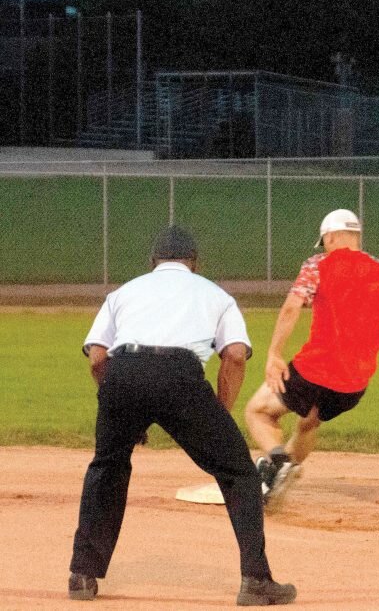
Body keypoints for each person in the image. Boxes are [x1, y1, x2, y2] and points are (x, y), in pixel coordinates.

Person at [69, 225, 296, 606]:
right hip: (179, 376)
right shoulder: (215, 294)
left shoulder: (124, 291)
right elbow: (236, 355)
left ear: (152, 261)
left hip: (122, 372)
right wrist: (217, 415)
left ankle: (82, 575)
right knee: (239, 473)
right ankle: (256, 580)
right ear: (194, 263)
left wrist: (120, 405)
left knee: (107, 466)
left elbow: (97, 357)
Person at [245, 208, 379, 507]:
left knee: (257, 411)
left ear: (332, 236)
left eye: (324, 239)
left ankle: (277, 462)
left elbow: (291, 306)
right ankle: (282, 477)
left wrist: (274, 353)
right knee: (309, 421)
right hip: (354, 384)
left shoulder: (318, 265)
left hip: (314, 369)